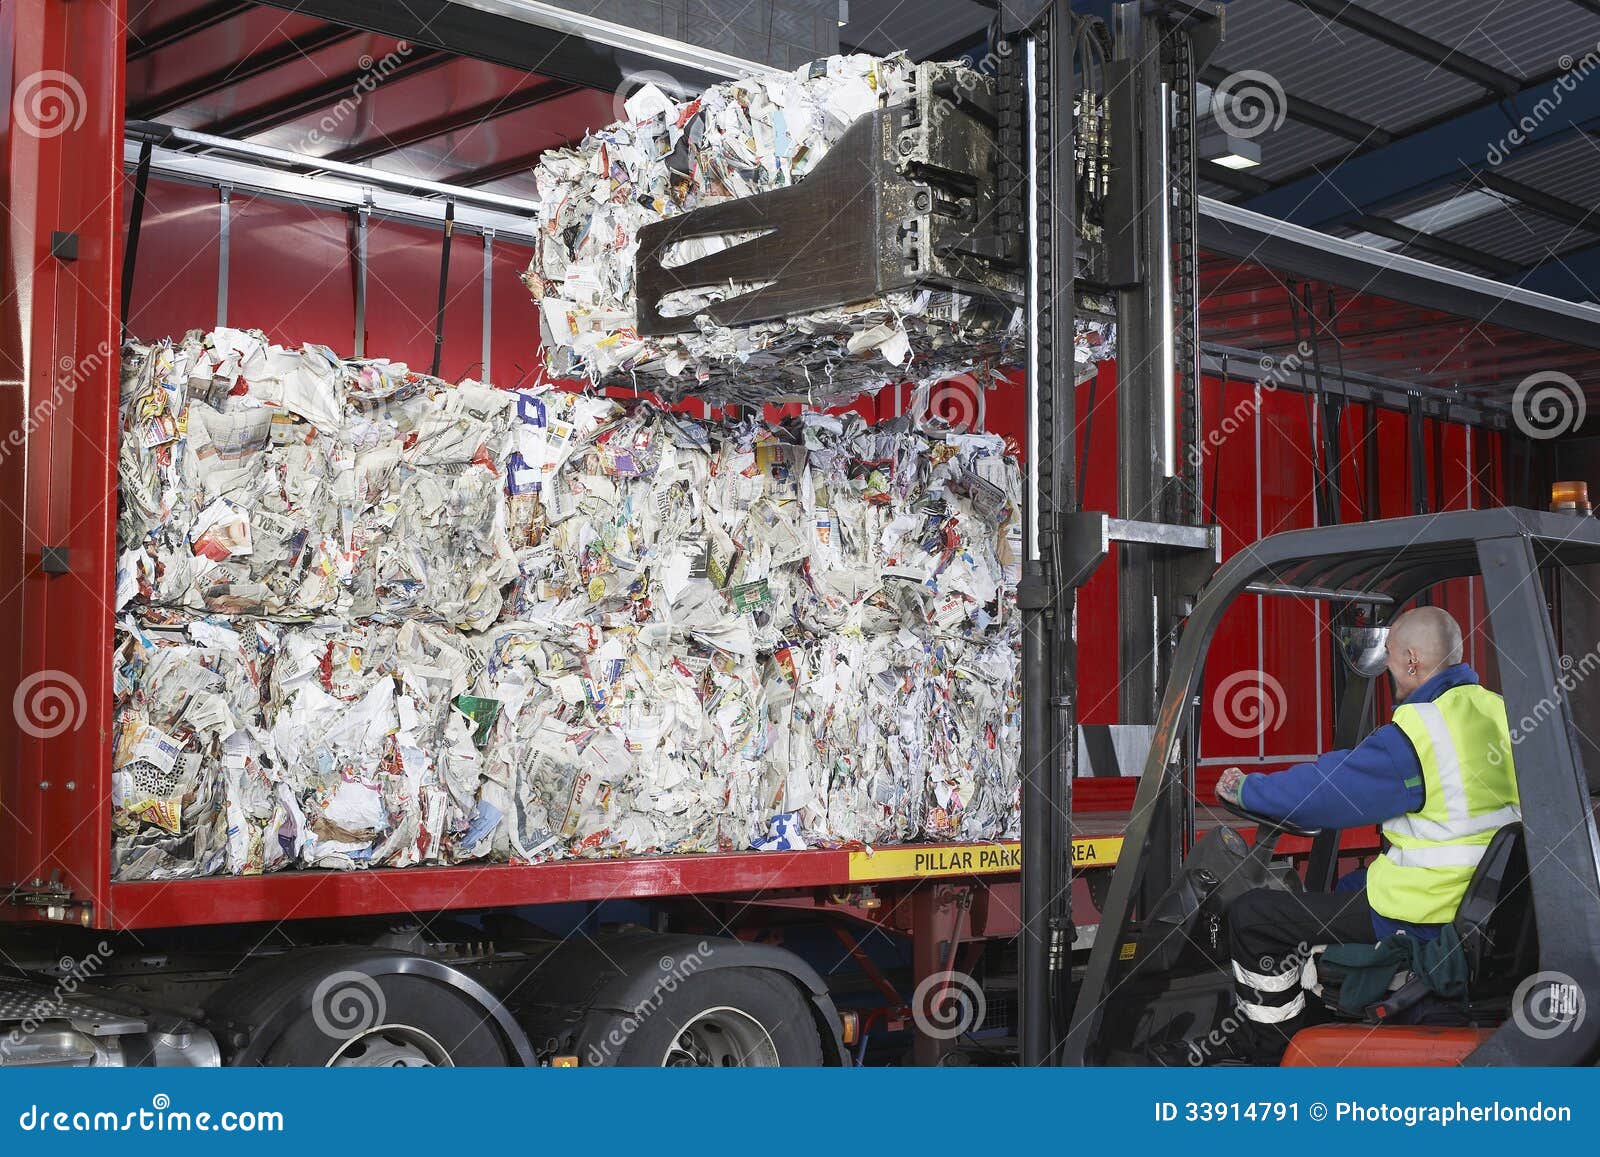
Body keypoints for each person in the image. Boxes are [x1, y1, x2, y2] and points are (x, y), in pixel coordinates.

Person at [1213, 606, 1520, 1060]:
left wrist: (1248, 790)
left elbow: (1324, 792)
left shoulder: (1422, 731)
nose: (1388, 670)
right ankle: (1325, 1009)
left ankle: (1268, 1047)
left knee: (1252, 916)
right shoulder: (1497, 710)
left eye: (1392, 657)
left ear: (1413, 661)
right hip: (1488, 905)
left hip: (1426, 914)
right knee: (1352, 884)